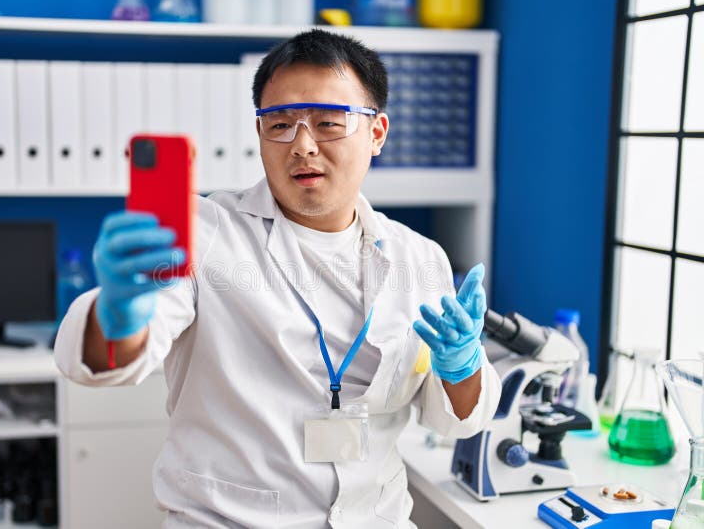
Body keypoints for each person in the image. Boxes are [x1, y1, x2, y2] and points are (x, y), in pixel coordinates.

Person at [55, 29, 501, 528]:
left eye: (329, 123)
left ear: (376, 133)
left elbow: (455, 420)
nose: (302, 145)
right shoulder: (204, 231)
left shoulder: (420, 259)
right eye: (281, 125)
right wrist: (117, 314)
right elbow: (108, 361)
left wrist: (461, 367)